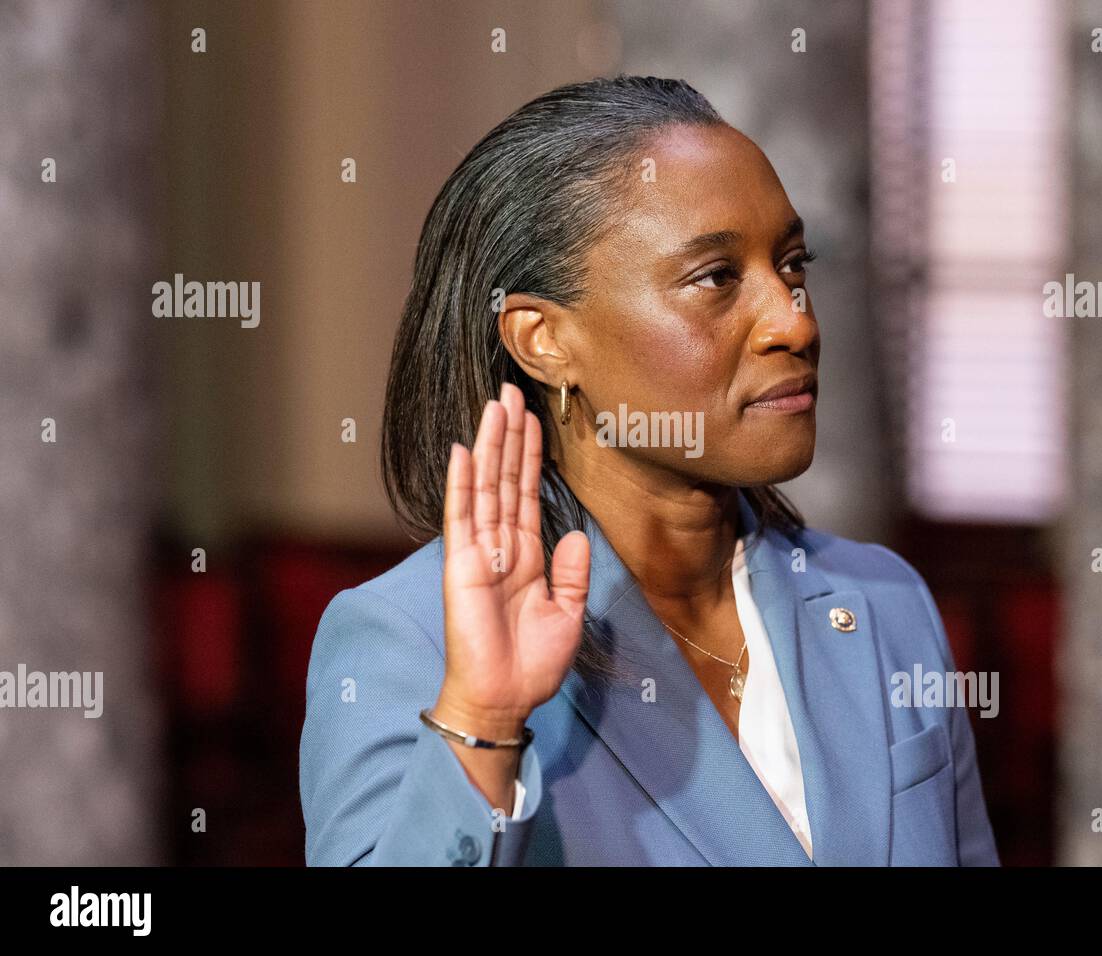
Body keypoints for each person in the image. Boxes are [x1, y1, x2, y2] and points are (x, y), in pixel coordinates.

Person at [299, 74, 999, 866]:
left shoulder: (884, 604)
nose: (794, 320)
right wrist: (483, 719)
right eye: (717, 278)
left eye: (793, 265)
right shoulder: (412, 641)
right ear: (544, 341)